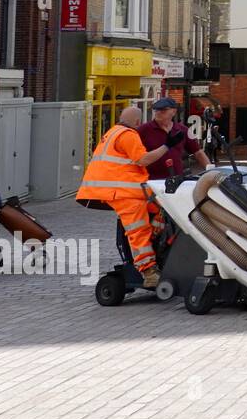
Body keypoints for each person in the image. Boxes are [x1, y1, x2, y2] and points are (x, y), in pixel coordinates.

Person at [76, 105, 182, 288]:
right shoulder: (128, 135)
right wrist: (168, 146)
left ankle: (156, 242)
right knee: (138, 230)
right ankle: (149, 271)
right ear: (138, 122)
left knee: (162, 209)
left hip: (122, 190)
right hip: (125, 193)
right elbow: (143, 159)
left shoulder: (112, 133)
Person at [137, 97, 210, 181]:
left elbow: (198, 152)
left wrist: (211, 171)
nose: (158, 113)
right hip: (151, 181)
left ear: (174, 112)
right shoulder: (143, 130)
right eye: (156, 110)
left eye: (163, 110)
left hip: (176, 180)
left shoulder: (183, 130)